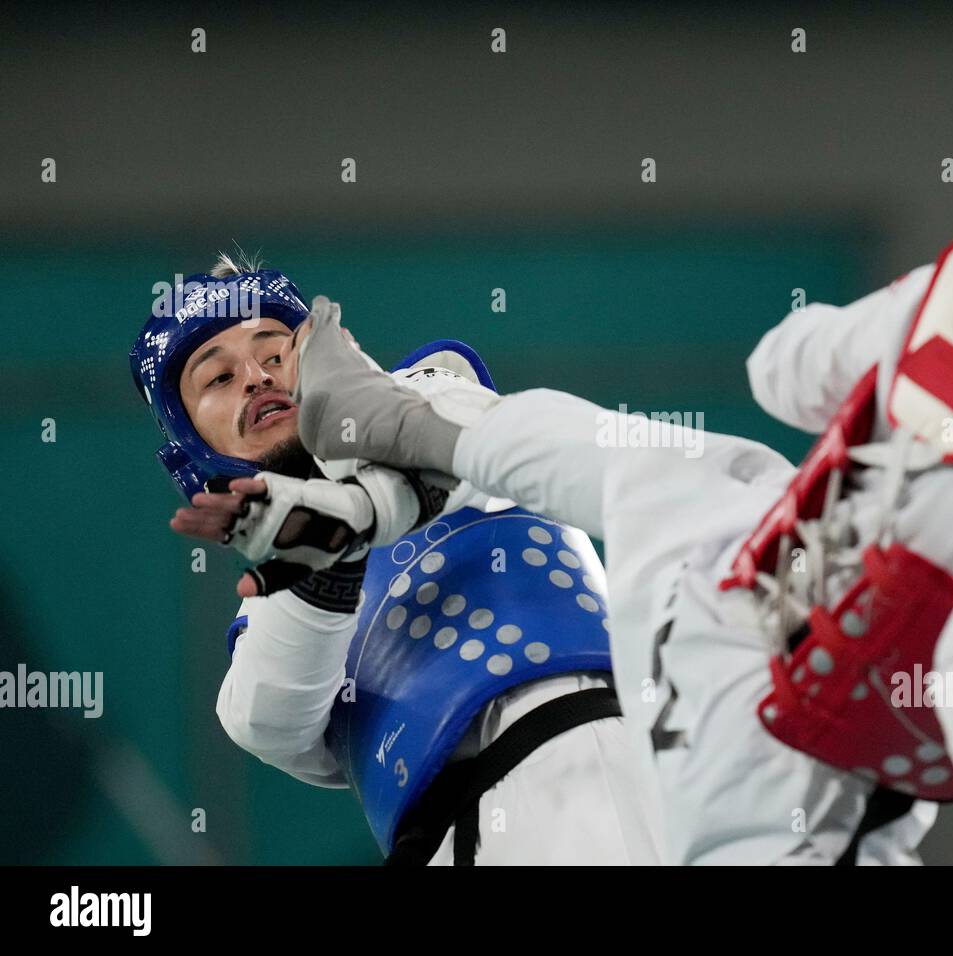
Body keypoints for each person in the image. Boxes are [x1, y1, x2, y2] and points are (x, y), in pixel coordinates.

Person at [236, 23, 953, 865]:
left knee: (680, 472)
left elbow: (783, 369)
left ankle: (413, 423)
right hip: (797, 774)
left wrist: (922, 412)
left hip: (701, 618)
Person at [130, 256, 662, 865]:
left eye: (274, 353)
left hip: (598, 768)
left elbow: (481, 439)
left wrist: (357, 496)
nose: (256, 377)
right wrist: (320, 562)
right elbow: (269, 719)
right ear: (194, 447)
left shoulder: (432, 393)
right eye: (219, 379)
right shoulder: (266, 631)